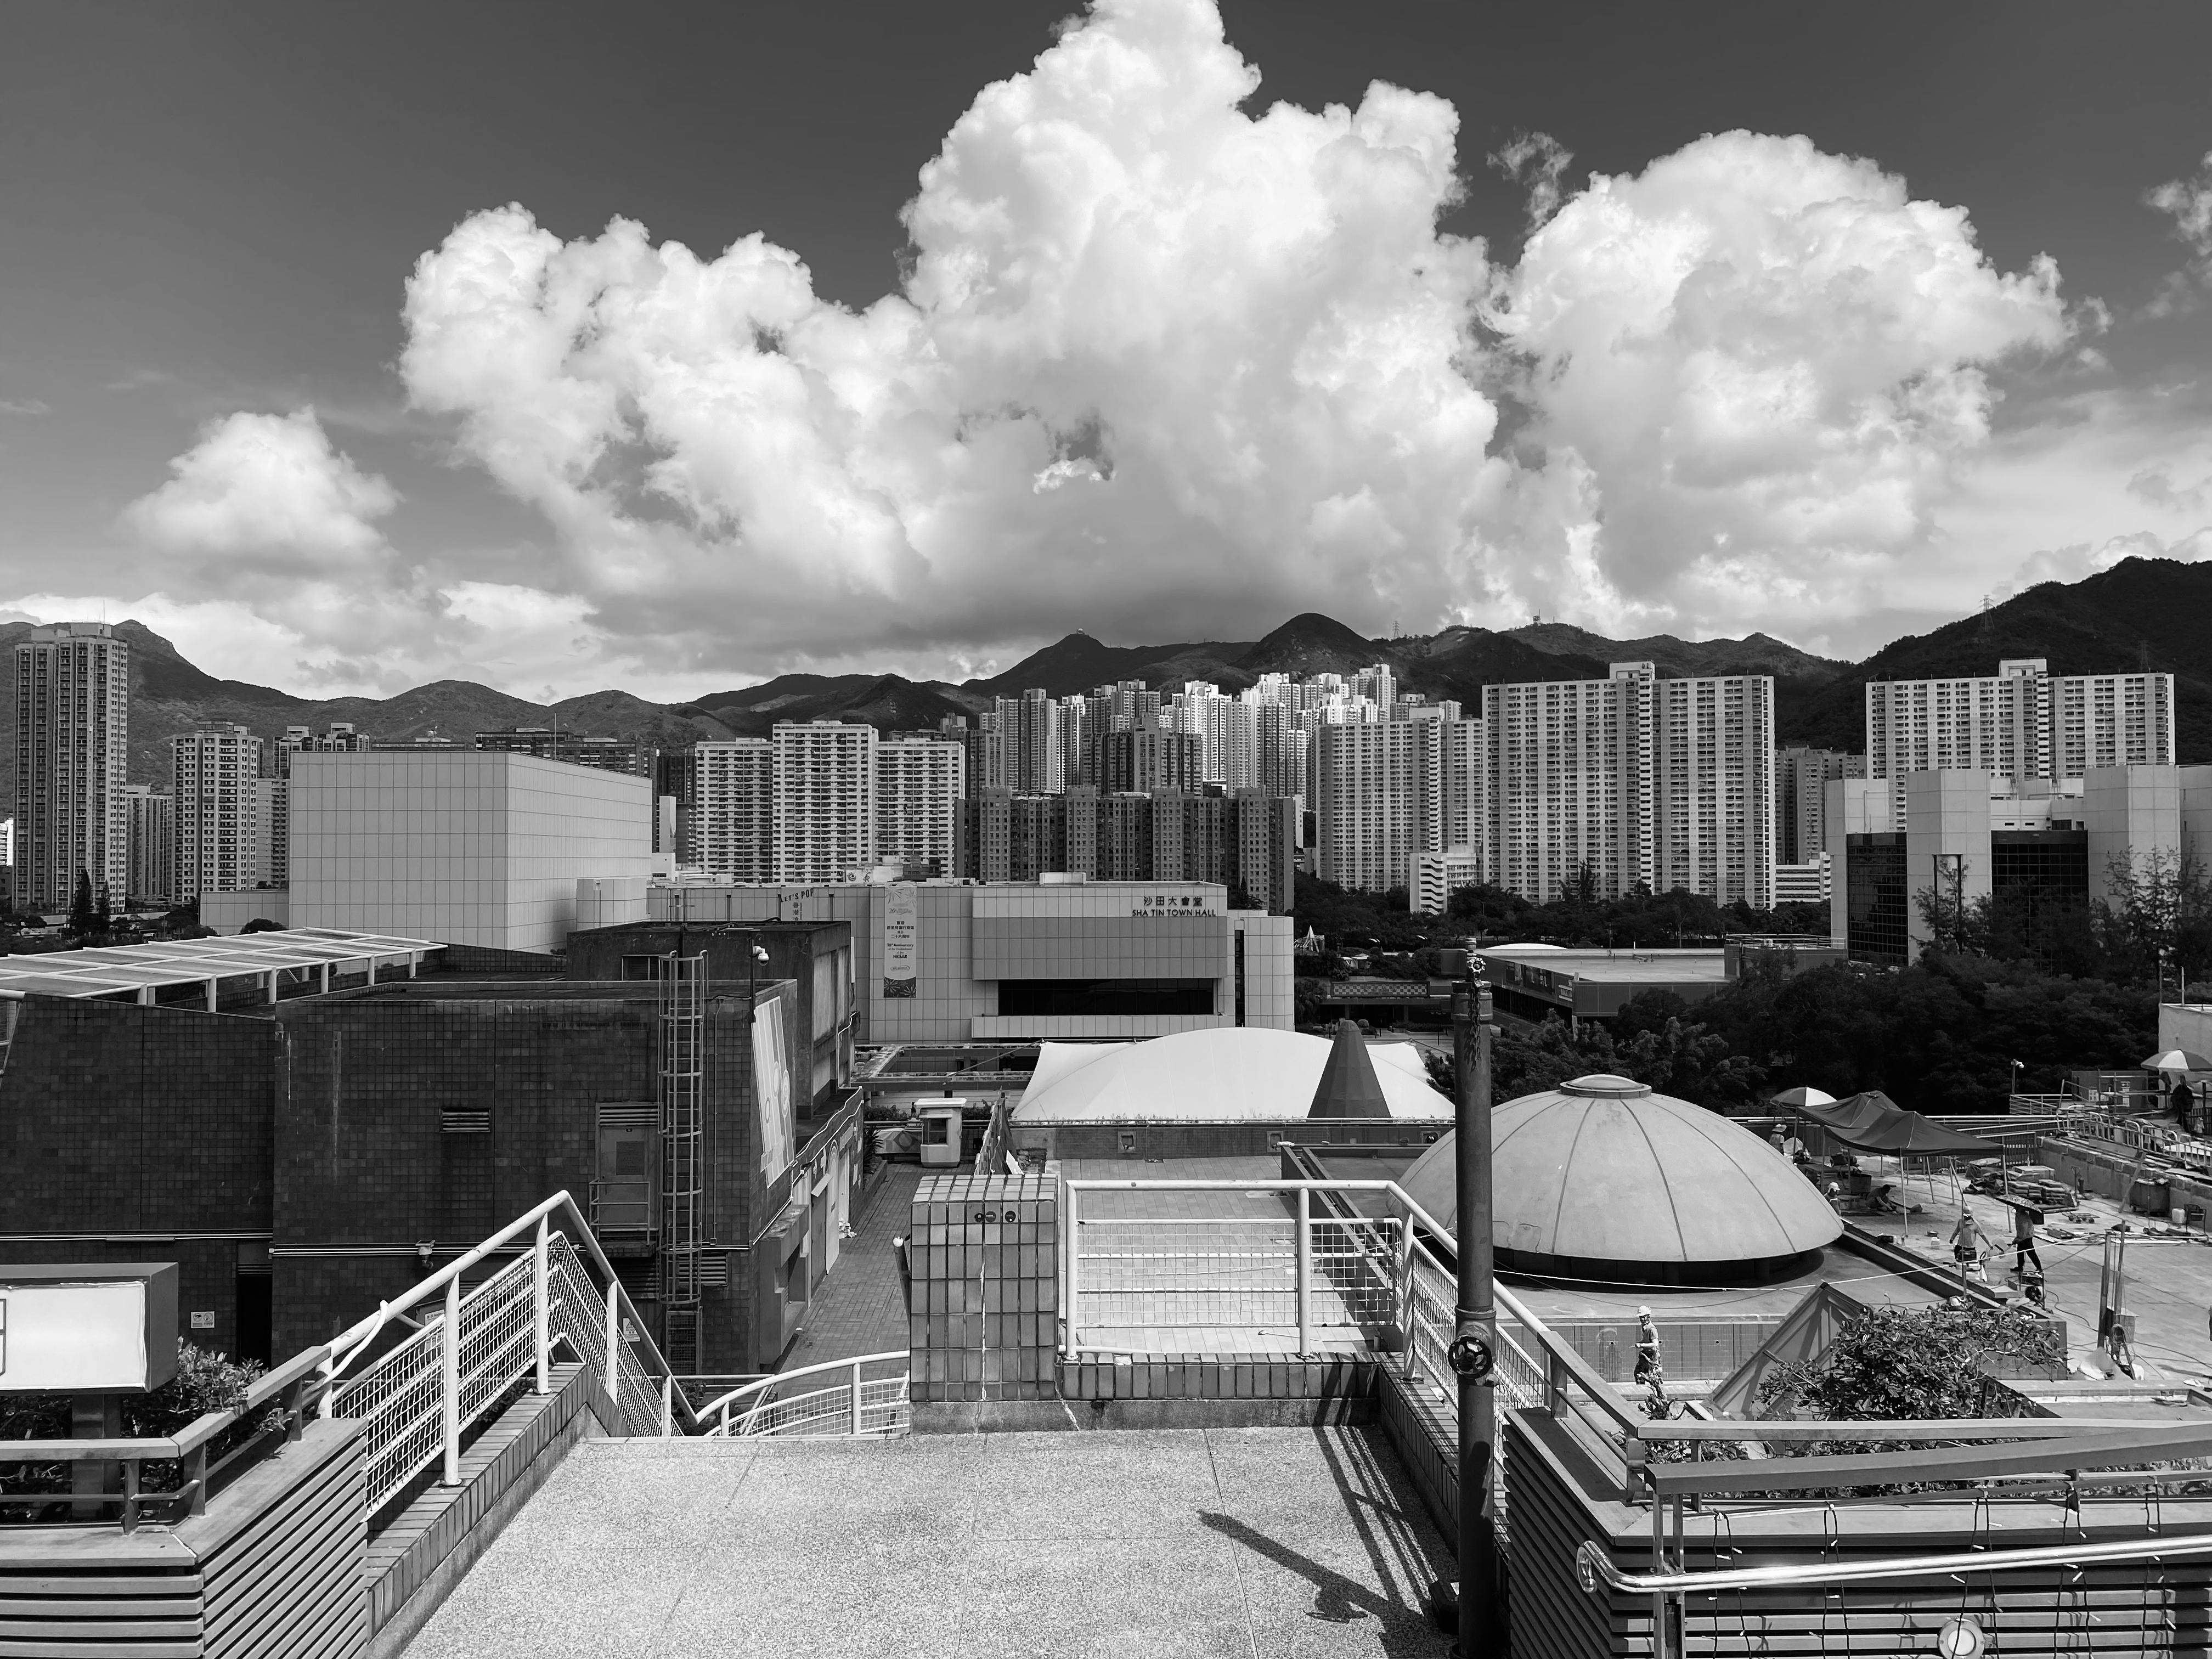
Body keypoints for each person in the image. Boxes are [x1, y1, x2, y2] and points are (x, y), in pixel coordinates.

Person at [1952, 1207, 1988, 1282]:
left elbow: (1982, 1235)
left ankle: (1969, 1275)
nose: (1966, 1217)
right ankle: (1960, 1275)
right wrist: (1952, 1238)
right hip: (1960, 1245)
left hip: (1970, 1247)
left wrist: (1990, 1245)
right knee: (1958, 1259)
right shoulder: (1961, 1222)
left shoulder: (1975, 1224)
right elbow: (1956, 1231)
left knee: (1969, 1262)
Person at [1633, 1306, 1662, 1389]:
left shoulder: (1652, 1329)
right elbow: (1647, 1341)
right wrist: (1640, 1343)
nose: (1642, 1319)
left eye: (1644, 1317)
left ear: (1648, 1316)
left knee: (1654, 1377)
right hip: (1646, 1354)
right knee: (1639, 1373)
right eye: (1640, 1317)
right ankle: (1643, 1390)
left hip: (1652, 1356)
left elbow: (1655, 1344)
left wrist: (1642, 1345)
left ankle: (1657, 1395)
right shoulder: (1644, 1327)